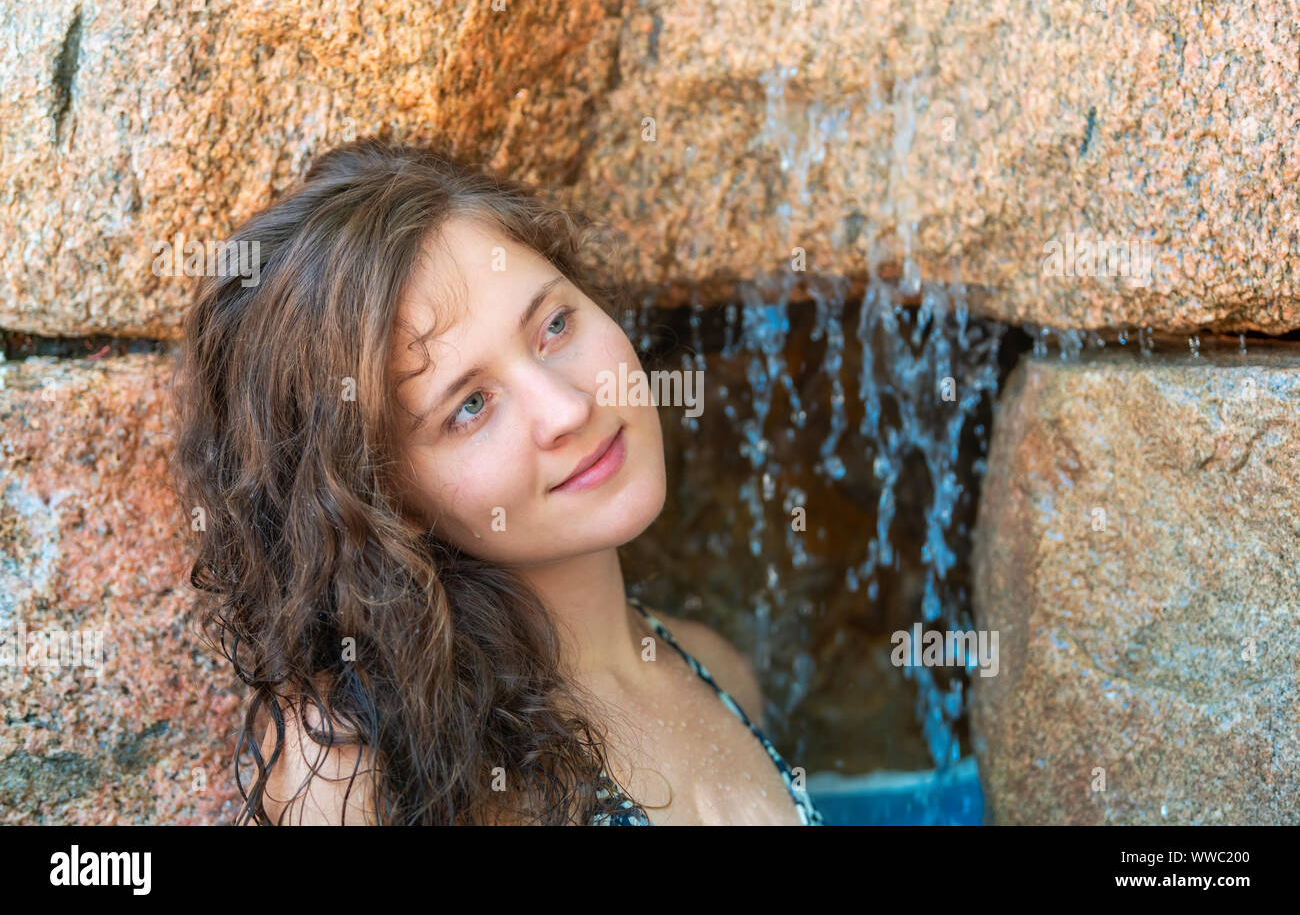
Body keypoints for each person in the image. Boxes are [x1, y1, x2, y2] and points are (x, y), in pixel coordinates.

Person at [170, 138, 823, 825]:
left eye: (555, 324)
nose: (569, 408)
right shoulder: (361, 765)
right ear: (386, 499)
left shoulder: (723, 676)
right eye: (470, 406)